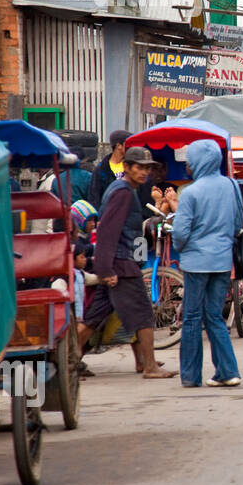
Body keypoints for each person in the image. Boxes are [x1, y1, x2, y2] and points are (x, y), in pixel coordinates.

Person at [76, 146, 176, 379]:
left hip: (117, 262)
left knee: (95, 316)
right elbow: (109, 231)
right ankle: (149, 366)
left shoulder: (125, 189)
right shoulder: (122, 192)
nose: (143, 173)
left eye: (146, 169)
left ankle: (65, 360)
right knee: (143, 314)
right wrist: (106, 268)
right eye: (138, 168)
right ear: (128, 167)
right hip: (120, 264)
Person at [171, 139, 243, 388]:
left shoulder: (190, 192)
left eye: (190, 161)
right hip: (222, 261)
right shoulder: (231, 186)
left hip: (195, 263)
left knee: (191, 317)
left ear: (200, 161)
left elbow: (180, 233)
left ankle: (191, 376)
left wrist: (183, 248)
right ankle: (228, 371)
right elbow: (237, 224)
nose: (188, 166)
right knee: (214, 316)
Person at [87, 129, 130, 208]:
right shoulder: (101, 169)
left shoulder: (130, 166)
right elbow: (94, 196)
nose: (131, 147)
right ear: (119, 146)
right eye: (128, 143)